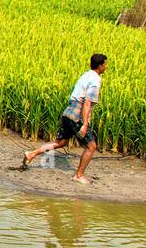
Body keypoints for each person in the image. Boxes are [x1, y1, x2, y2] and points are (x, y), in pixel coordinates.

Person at [23, 53, 108, 184]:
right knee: (91, 146)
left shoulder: (86, 75)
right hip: (76, 115)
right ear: (100, 66)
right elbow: (87, 102)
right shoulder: (96, 80)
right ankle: (79, 175)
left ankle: (31, 154)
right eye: (105, 64)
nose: (106, 67)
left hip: (68, 112)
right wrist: (85, 124)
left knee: (61, 142)